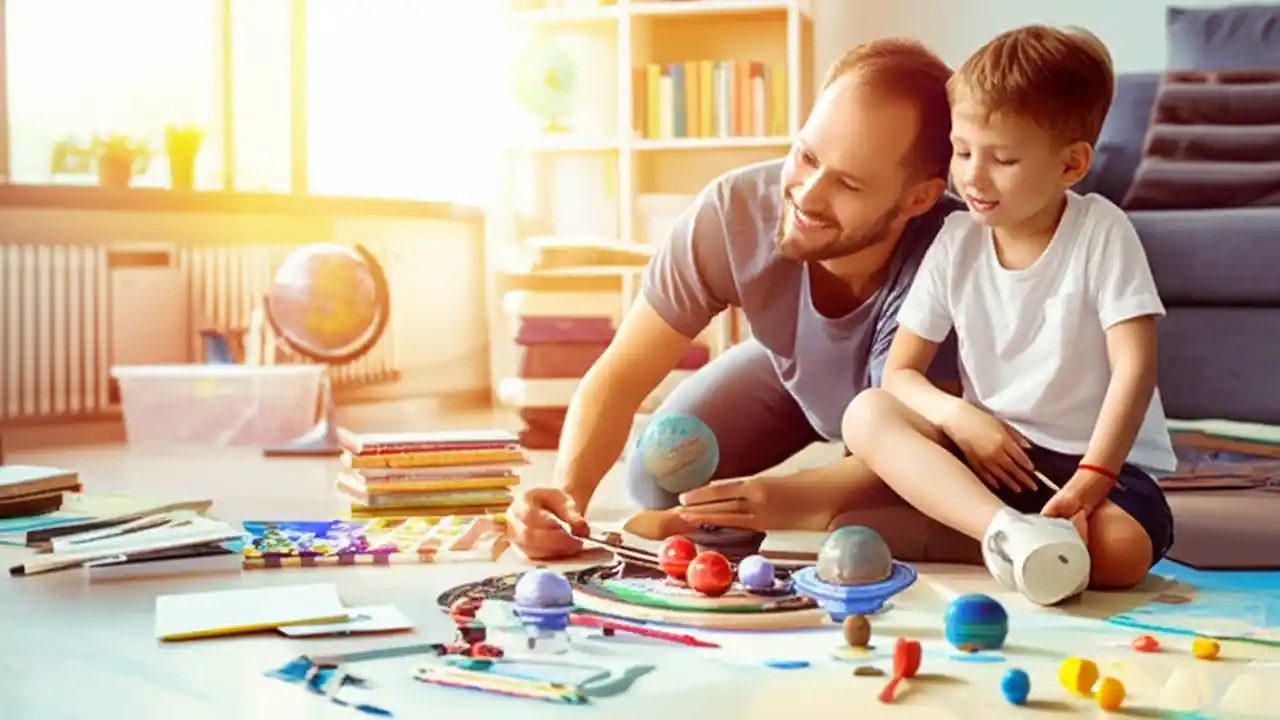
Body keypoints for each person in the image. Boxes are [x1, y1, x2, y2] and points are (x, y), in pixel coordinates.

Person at [509, 38, 977, 561]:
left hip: (894, 421)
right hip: (791, 367)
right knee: (654, 472)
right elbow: (619, 376)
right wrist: (565, 500)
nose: (808, 195)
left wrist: (782, 500)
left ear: (919, 197)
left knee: (874, 513)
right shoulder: (732, 212)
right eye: (806, 156)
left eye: (847, 184)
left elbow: (922, 449)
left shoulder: (953, 257)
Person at [840, 25, 1178, 606]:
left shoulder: (1101, 230)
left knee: (1121, 553)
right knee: (866, 413)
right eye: (962, 149)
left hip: (1091, 464)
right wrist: (961, 419)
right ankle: (1007, 535)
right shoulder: (955, 240)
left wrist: (1093, 478)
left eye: (1003, 159)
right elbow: (899, 375)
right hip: (989, 457)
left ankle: (984, 532)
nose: (971, 176)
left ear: (1071, 165)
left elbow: (1135, 369)